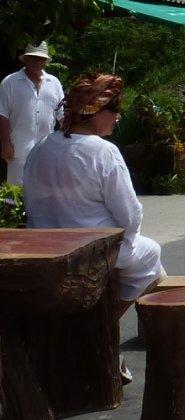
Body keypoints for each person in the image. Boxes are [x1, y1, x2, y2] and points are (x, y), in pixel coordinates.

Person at [23, 75, 165, 377]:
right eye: (113, 110)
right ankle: (100, 329)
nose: (117, 117)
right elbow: (129, 215)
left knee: (139, 255)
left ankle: (94, 331)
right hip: (91, 252)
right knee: (152, 255)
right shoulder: (102, 151)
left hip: (45, 249)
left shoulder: (41, 148)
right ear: (95, 112)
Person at [0, 43, 65, 187]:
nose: (36, 62)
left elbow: (61, 115)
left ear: (45, 61)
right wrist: (5, 144)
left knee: (43, 194)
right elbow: (2, 115)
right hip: (18, 150)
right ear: (26, 59)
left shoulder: (54, 83)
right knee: (16, 197)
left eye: (40, 58)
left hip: (46, 151)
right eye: (33, 58)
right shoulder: (9, 82)